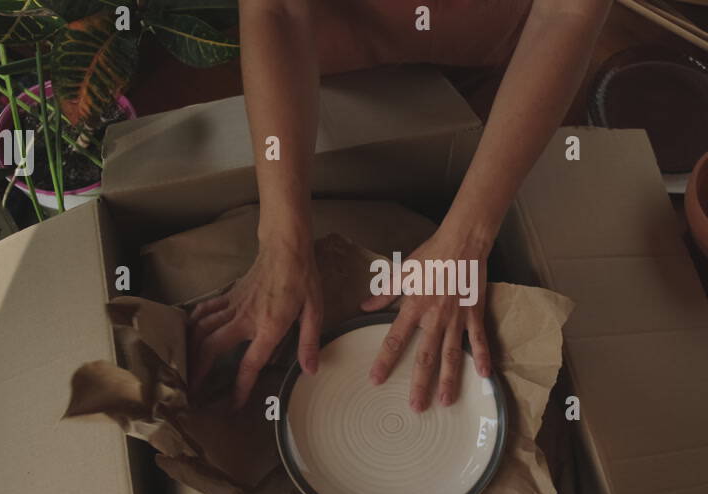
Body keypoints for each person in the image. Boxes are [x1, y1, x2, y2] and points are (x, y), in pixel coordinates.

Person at [189, 0, 612, 412]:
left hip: (497, 66)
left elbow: (564, 13)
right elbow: (277, 11)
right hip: (329, 73)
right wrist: (282, 240)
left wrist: (468, 240)